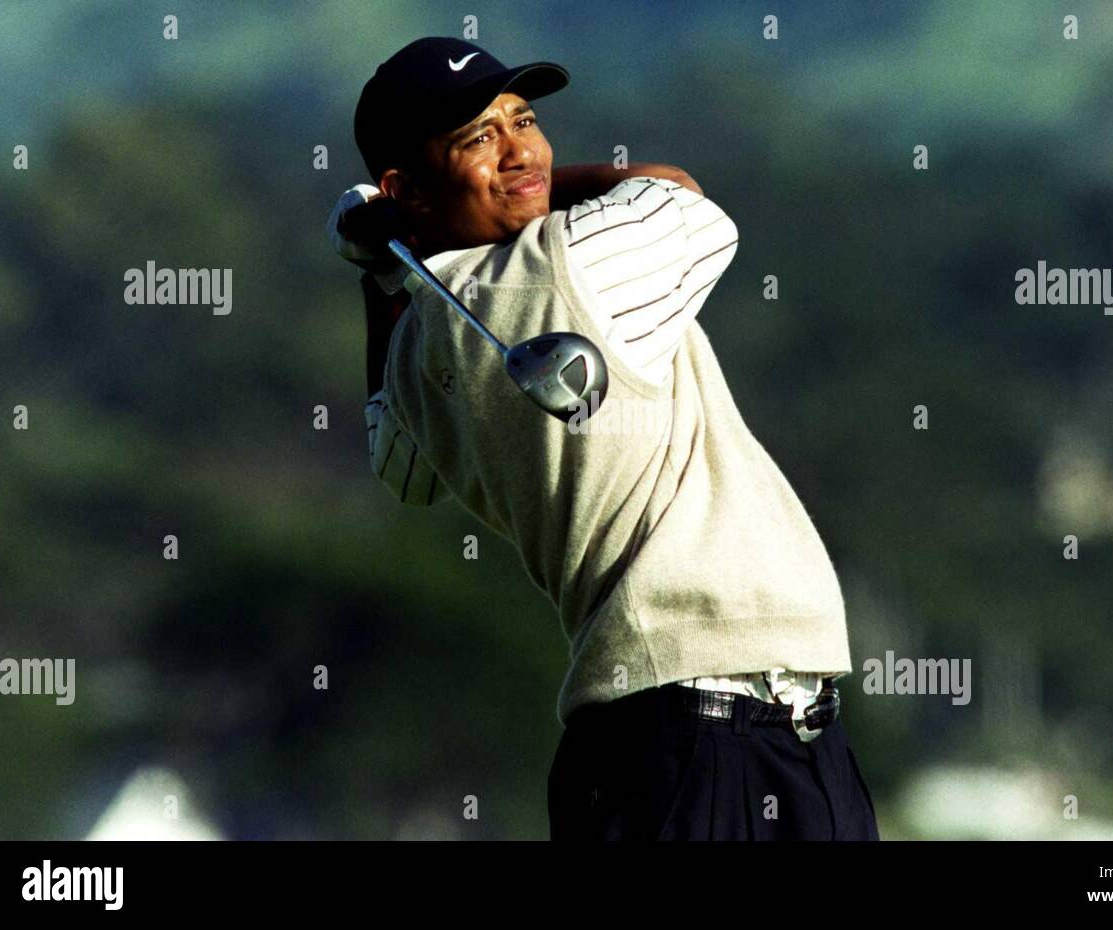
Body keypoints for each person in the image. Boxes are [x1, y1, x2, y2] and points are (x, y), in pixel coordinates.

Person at [328, 36, 879, 841]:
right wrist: (531, 192)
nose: (520, 152)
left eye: (523, 121)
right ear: (405, 187)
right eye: (479, 138)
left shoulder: (420, 354)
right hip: (699, 740)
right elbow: (679, 195)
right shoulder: (563, 260)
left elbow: (396, 462)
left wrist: (382, 267)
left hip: (729, 738)